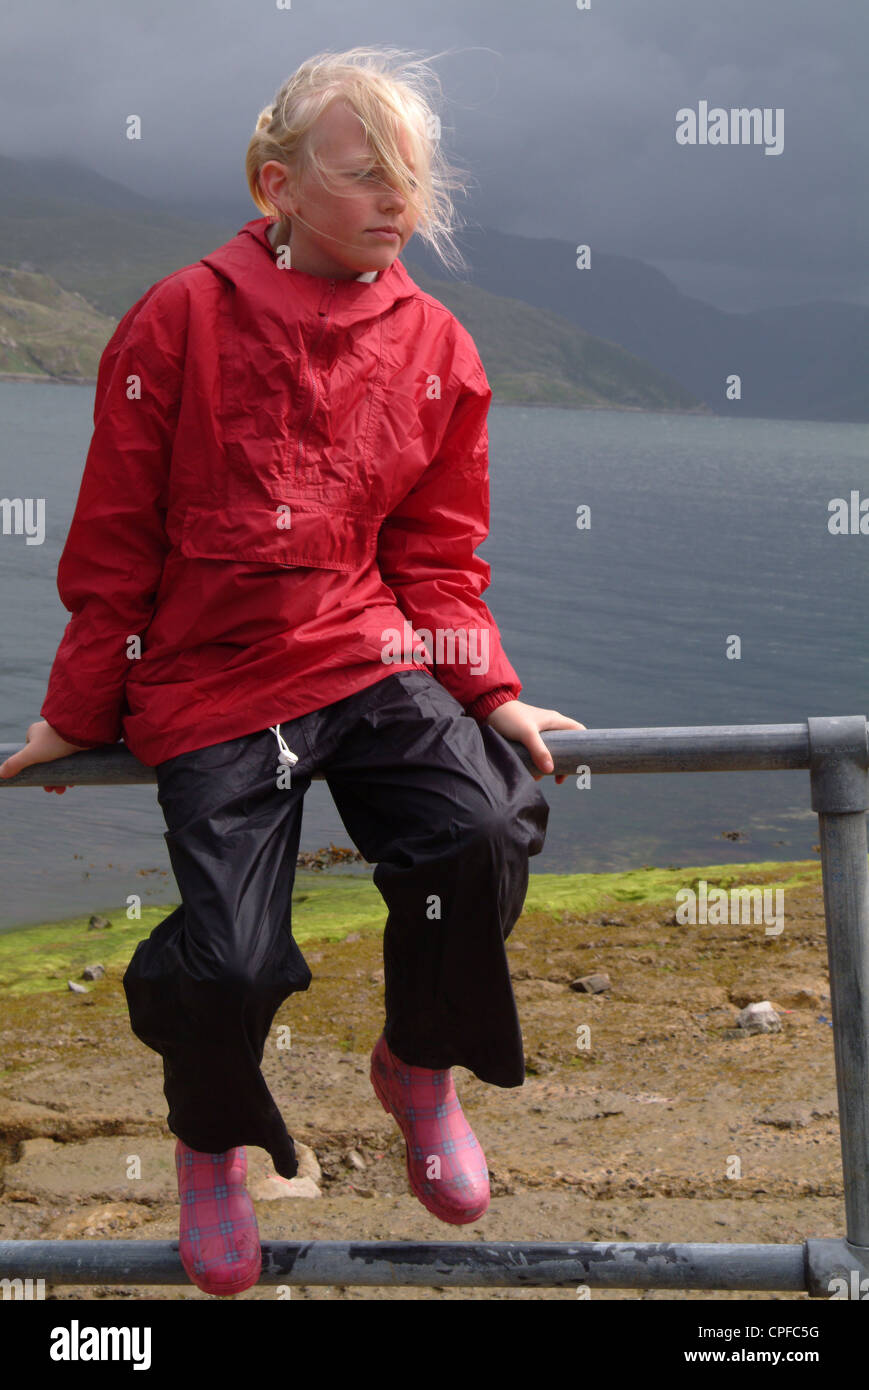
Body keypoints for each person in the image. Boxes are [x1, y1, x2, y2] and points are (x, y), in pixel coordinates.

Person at [0, 45, 584, 1297]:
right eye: (362, 172)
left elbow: (435, 550)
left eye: (411, 178)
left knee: (482, 825)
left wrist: (483, 687)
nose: (395, 200)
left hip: (365, 651)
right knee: (231, 962)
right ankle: (212, 1138)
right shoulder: (180, 317)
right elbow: (115, 533)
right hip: (209, 677)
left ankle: (416, 1067)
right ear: (276, 183)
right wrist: (76, 709)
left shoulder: (435, 342)